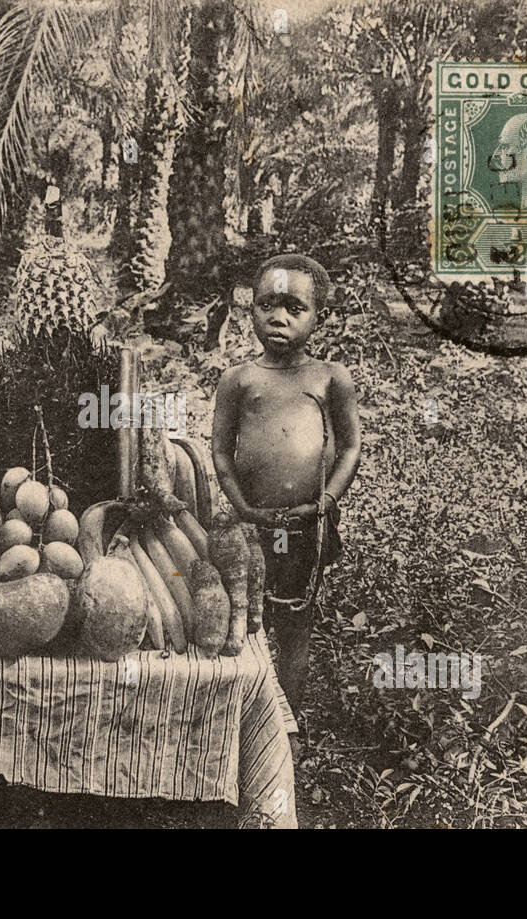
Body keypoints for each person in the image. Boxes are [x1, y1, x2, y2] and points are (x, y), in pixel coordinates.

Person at [211, 254, 361, 721]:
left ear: (320, 317)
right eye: (267, 305)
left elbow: (351, 448)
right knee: (245, 615)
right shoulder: (237, 380)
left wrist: (323, 503)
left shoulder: (330, 378)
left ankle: (287, 718)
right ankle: (246, 716)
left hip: (306, 526)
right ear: (250, 309)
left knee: (294, 621)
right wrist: (241, 507)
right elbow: (220, 451)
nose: (278, 318)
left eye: (295, 308)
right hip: (252, 524)